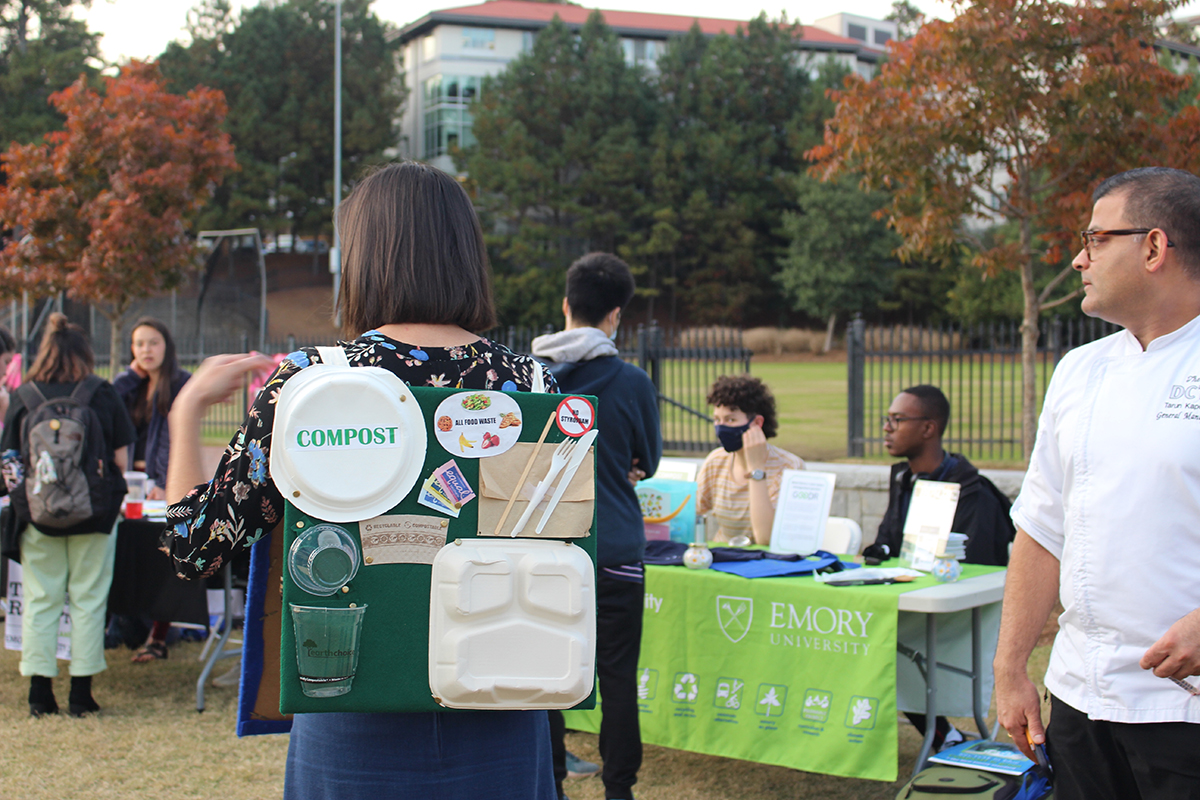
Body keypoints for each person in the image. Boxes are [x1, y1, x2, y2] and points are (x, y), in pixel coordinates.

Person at [164, 162, 558, 800]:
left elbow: (193, 547)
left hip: (350, 704)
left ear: (367, 256)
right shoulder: (534, 384)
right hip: (502, 704)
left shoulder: (313, 384)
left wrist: (184, 413)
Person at [994, 167, 1200, 800]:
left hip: (1184, 709)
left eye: (1096, 238)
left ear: (1154, 247)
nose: (1079, 259)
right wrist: (1010, 666)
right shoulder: (1078, 371)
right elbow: (1042, 528)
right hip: (1080, 698)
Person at [532, 252, 662, 800]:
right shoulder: (632, 382)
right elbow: (646, 461)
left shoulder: (527, 378)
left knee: (543, 679)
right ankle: (619, 789)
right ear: (616, 315)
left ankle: (551, 785)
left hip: (543, 549)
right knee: (618, 679)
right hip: (614, 551)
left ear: (565, 304)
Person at [866, 384, 1015, 750]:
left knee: (878, 640)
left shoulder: (973, 493)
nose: (886, 427)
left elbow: (977, 570)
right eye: (887, 419)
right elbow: (888, 547)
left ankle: (943, 735)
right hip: (907, 602)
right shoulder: (904, 480)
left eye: (897, 420)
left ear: (928, 428)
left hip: (952, 617)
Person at [2, 313, 135, 716]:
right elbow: (121, 460)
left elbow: (9, 461)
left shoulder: (24, 396)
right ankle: (81, 693)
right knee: (89, 599)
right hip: (94, 514)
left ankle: (39, 693)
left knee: (41, 599)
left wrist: (25, 504)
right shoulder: (101, 392)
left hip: (38, 516)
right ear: (86, 354)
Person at [111, 317, 190, 663]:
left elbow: (176, 439)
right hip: (130, 484)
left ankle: (159, 635)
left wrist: (162, 482)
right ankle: (122, 624)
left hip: (163, 485)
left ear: (166, 346)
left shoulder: (180, 383)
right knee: (126, 548)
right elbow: (107, 403)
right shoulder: (131, 386)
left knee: (164, 553)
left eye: (153, 342)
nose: (146, 350)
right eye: (139, 344)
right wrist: (130, 376)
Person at [696, 375, 803, 545]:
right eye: (717, 419)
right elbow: (691, 513)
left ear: (757, 423)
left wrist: (756, 468)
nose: (721, 427)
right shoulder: (716, 461)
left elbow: (765, 538)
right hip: (724, 555)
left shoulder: (789, 467)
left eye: (731, 419)